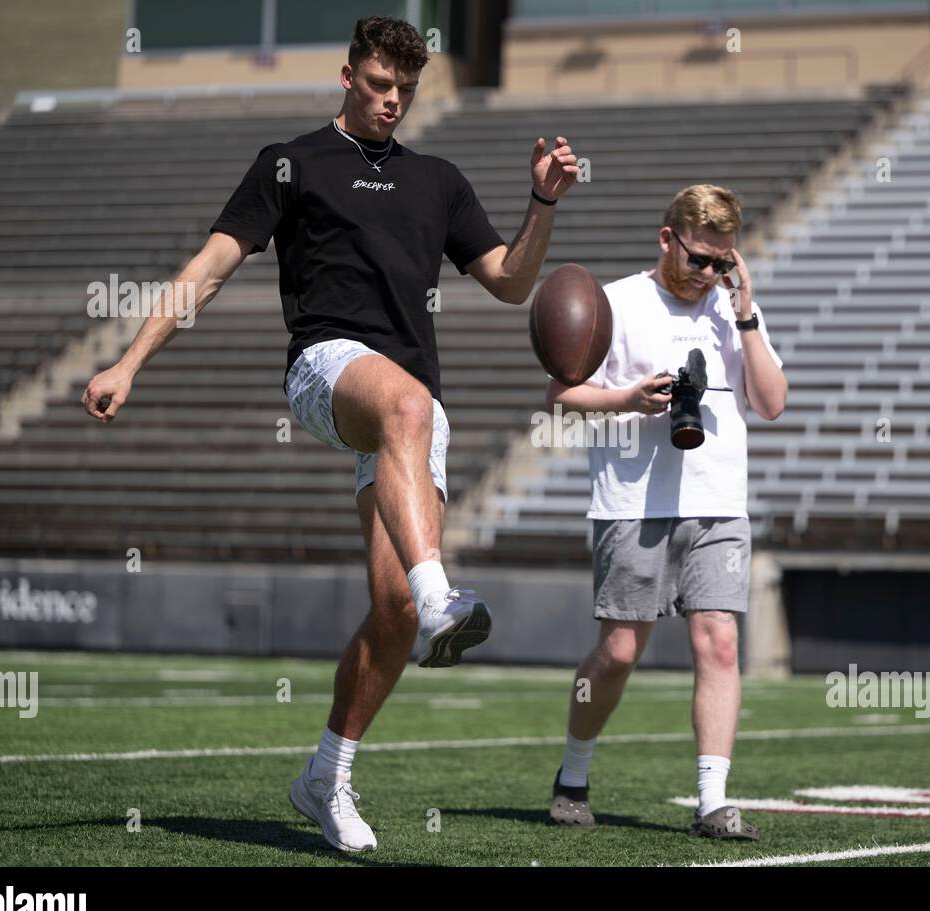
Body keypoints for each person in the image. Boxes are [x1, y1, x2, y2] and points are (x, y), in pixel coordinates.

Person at [80, 16, 578, 852]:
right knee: (410, 412)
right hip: (326, 368)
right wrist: (128, 362)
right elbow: (207, 268)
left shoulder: (440, 179)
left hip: (404, 417)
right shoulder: (292, 163)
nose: (394, 102)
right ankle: (440, 602)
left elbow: (510, 283)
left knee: (386, 608)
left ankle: (326, 773)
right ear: (348, 77)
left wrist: (543, 202)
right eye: (381, 86)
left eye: (407, 91)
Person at [544, 184, 786, 839]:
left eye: (722, 262)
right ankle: (573, 773)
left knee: (721, 642)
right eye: (700, 259)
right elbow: (560, 394)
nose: (710, 274)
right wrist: (627, 399)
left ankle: (712, 801)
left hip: (717, 507)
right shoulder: (616, 303)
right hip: (631, 505)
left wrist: (746, 313)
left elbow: (770, 402)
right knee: (619, 653)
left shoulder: (733, 311)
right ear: (666, 239)